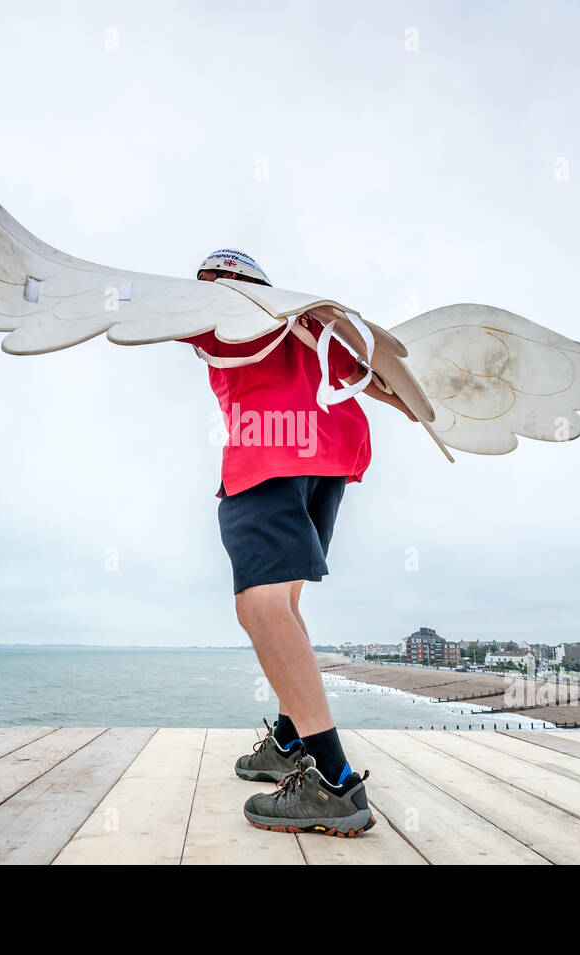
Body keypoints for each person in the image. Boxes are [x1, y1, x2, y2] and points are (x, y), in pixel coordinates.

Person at [178, 249, 417, 836]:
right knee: (282, 603)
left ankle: (333, 785)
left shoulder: (214, 318)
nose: (212, 292)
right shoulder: (306, 324)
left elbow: (139, 313)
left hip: (268, 454)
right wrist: (416, 406)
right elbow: (375, 379)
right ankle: (288, 743)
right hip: (329, 457)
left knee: (258, 607)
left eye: (217, 283)